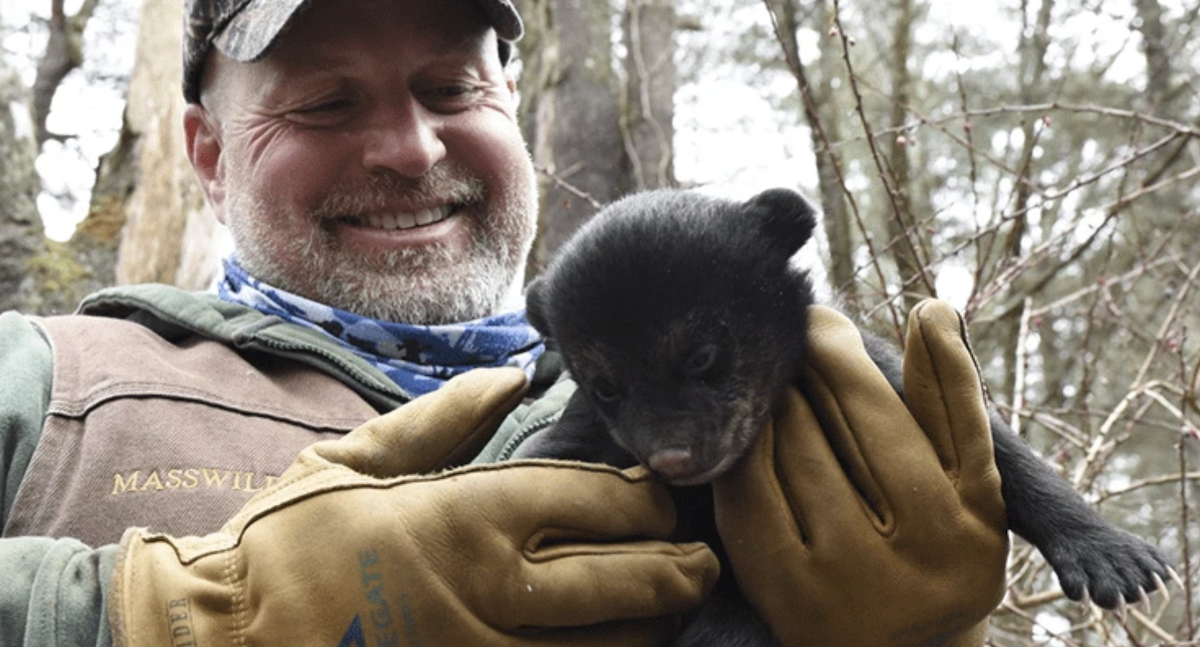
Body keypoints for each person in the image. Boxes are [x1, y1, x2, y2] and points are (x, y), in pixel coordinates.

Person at [0, 0, 1010, 644]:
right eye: (324, 103)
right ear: (208, 154)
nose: (407, 145)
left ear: (512, 104)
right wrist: (184, 617)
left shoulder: (739, 391)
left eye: (450, 87)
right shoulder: (50, 383)